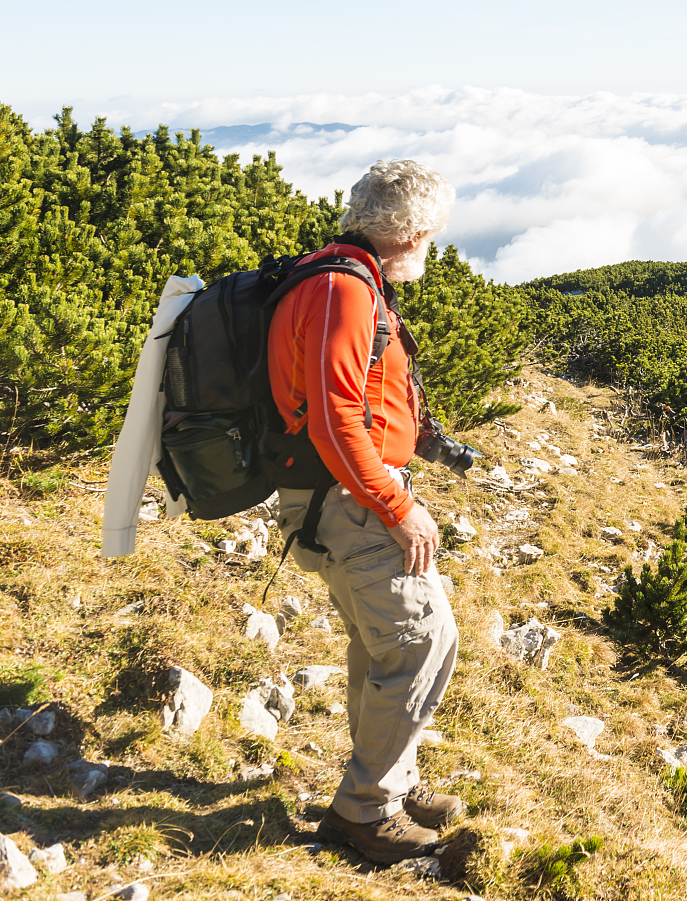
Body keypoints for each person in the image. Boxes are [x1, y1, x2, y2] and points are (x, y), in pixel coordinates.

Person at [269, 159, 467, 864]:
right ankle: (366, 809)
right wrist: (397, 503)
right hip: (351, 501)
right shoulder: (342, 291)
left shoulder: (342, 276)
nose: (432, 246)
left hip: (345, 496)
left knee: (386, 643)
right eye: (432, 234)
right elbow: (333, 416)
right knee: (422, 640)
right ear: (411, 232)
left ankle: (394, 779)